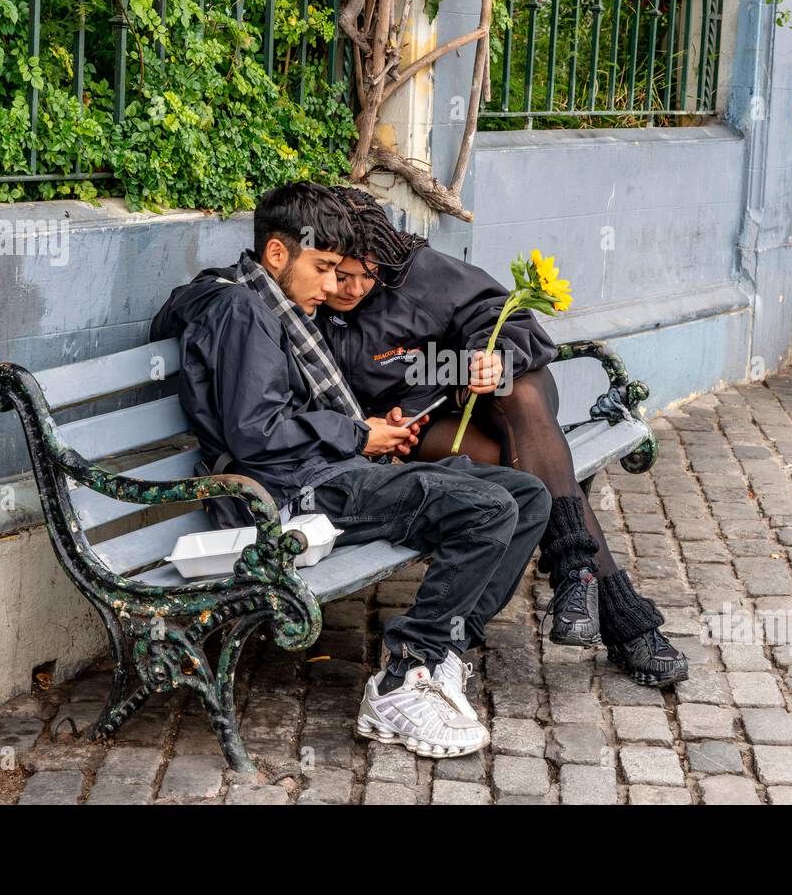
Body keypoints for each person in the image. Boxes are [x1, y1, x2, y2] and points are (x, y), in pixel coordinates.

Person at [149, 181, 551, 759]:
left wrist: (362, 430)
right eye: (325, 267)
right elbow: (256, 435)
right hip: (293, 493)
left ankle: (445, 655)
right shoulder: (241, 309)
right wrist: (358, 434)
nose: (336, 285)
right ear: (278, 254)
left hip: (325, 471)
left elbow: (276, 408)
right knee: (486, 509)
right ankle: (399, 681)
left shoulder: (269, 304)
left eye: (340, 269)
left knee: (528, 496)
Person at [313, 185, 690, 688]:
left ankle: (580, 573)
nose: (356, 288)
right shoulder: (305, 301)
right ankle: (617, 613)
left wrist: (491, 358)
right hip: (422, 430)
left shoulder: (416, 273)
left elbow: (501, 316)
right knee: (524, 466)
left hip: (493, 394)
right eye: (342, 275)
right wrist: (373, 428)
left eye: (369, 274)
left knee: (522, 392)